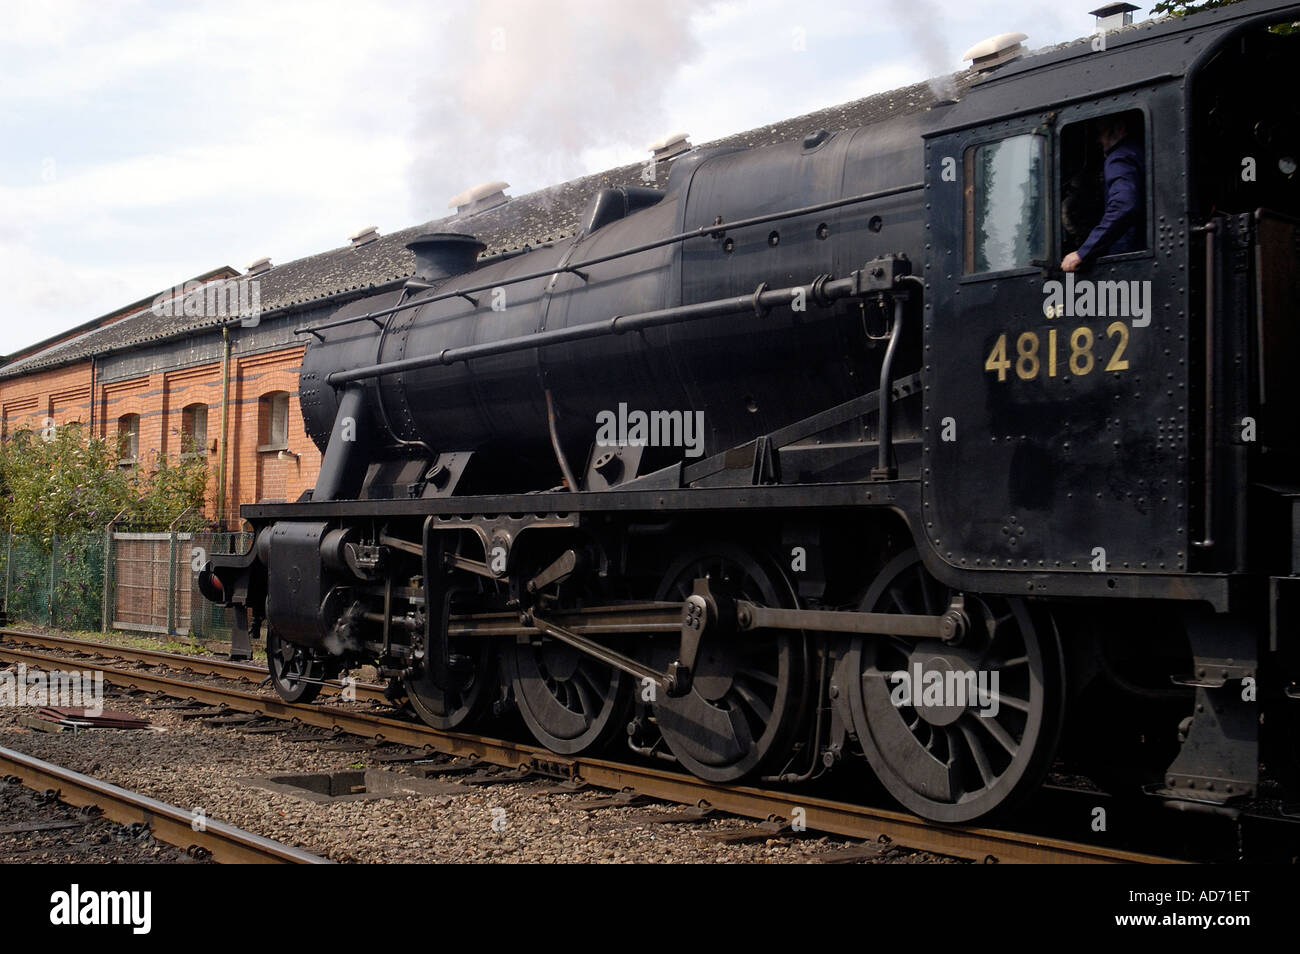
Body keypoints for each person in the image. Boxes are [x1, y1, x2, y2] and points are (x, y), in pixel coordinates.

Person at [1060, 115, 1143, 272]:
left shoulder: (1119, 157)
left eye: (1101, 133)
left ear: (1120, 129)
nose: (1098, 140)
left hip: (1127, 259)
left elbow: (1124, 205)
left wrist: (1082, 253)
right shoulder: (1137, 152)